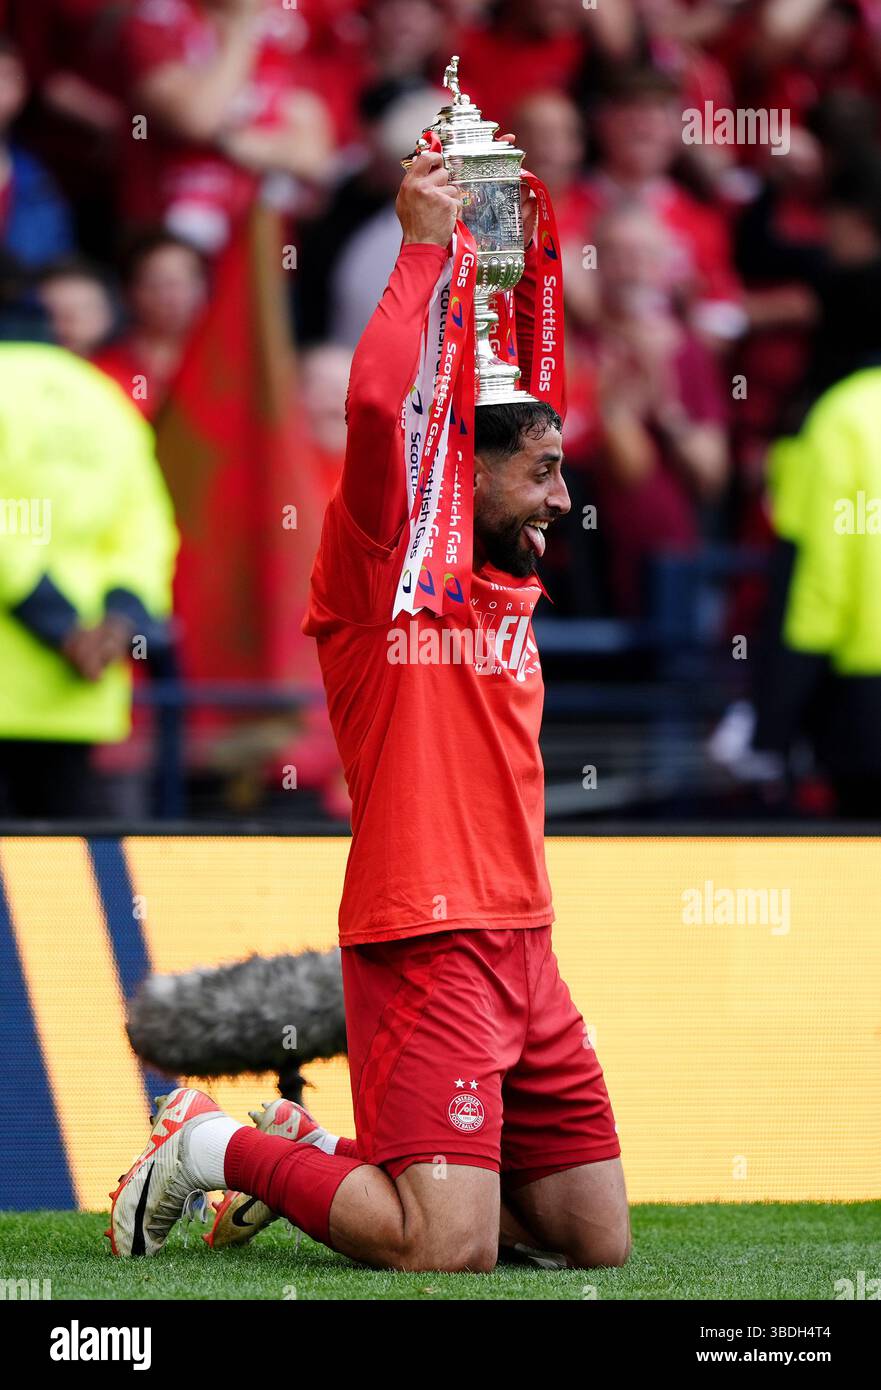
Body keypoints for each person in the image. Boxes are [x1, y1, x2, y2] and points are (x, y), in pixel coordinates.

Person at [108, 148, 631, 1272]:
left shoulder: (509, 573)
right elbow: (381, 402)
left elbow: (488, 390)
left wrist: (501, 270)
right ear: (467, 470)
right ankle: (208, 1144)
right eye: (541, 471)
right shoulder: (374, 567)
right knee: (444, 1251)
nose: (562, 498)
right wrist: (421, 249)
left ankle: (316, 1150)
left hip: (525, 939)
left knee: (592, 1244)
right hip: (423, 936)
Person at [0, 342, 178, 818]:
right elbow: (146, 531)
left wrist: (60, 624)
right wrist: (118, 621)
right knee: (63, 859)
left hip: (39, 666)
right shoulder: (105, 397)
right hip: (81, 690)